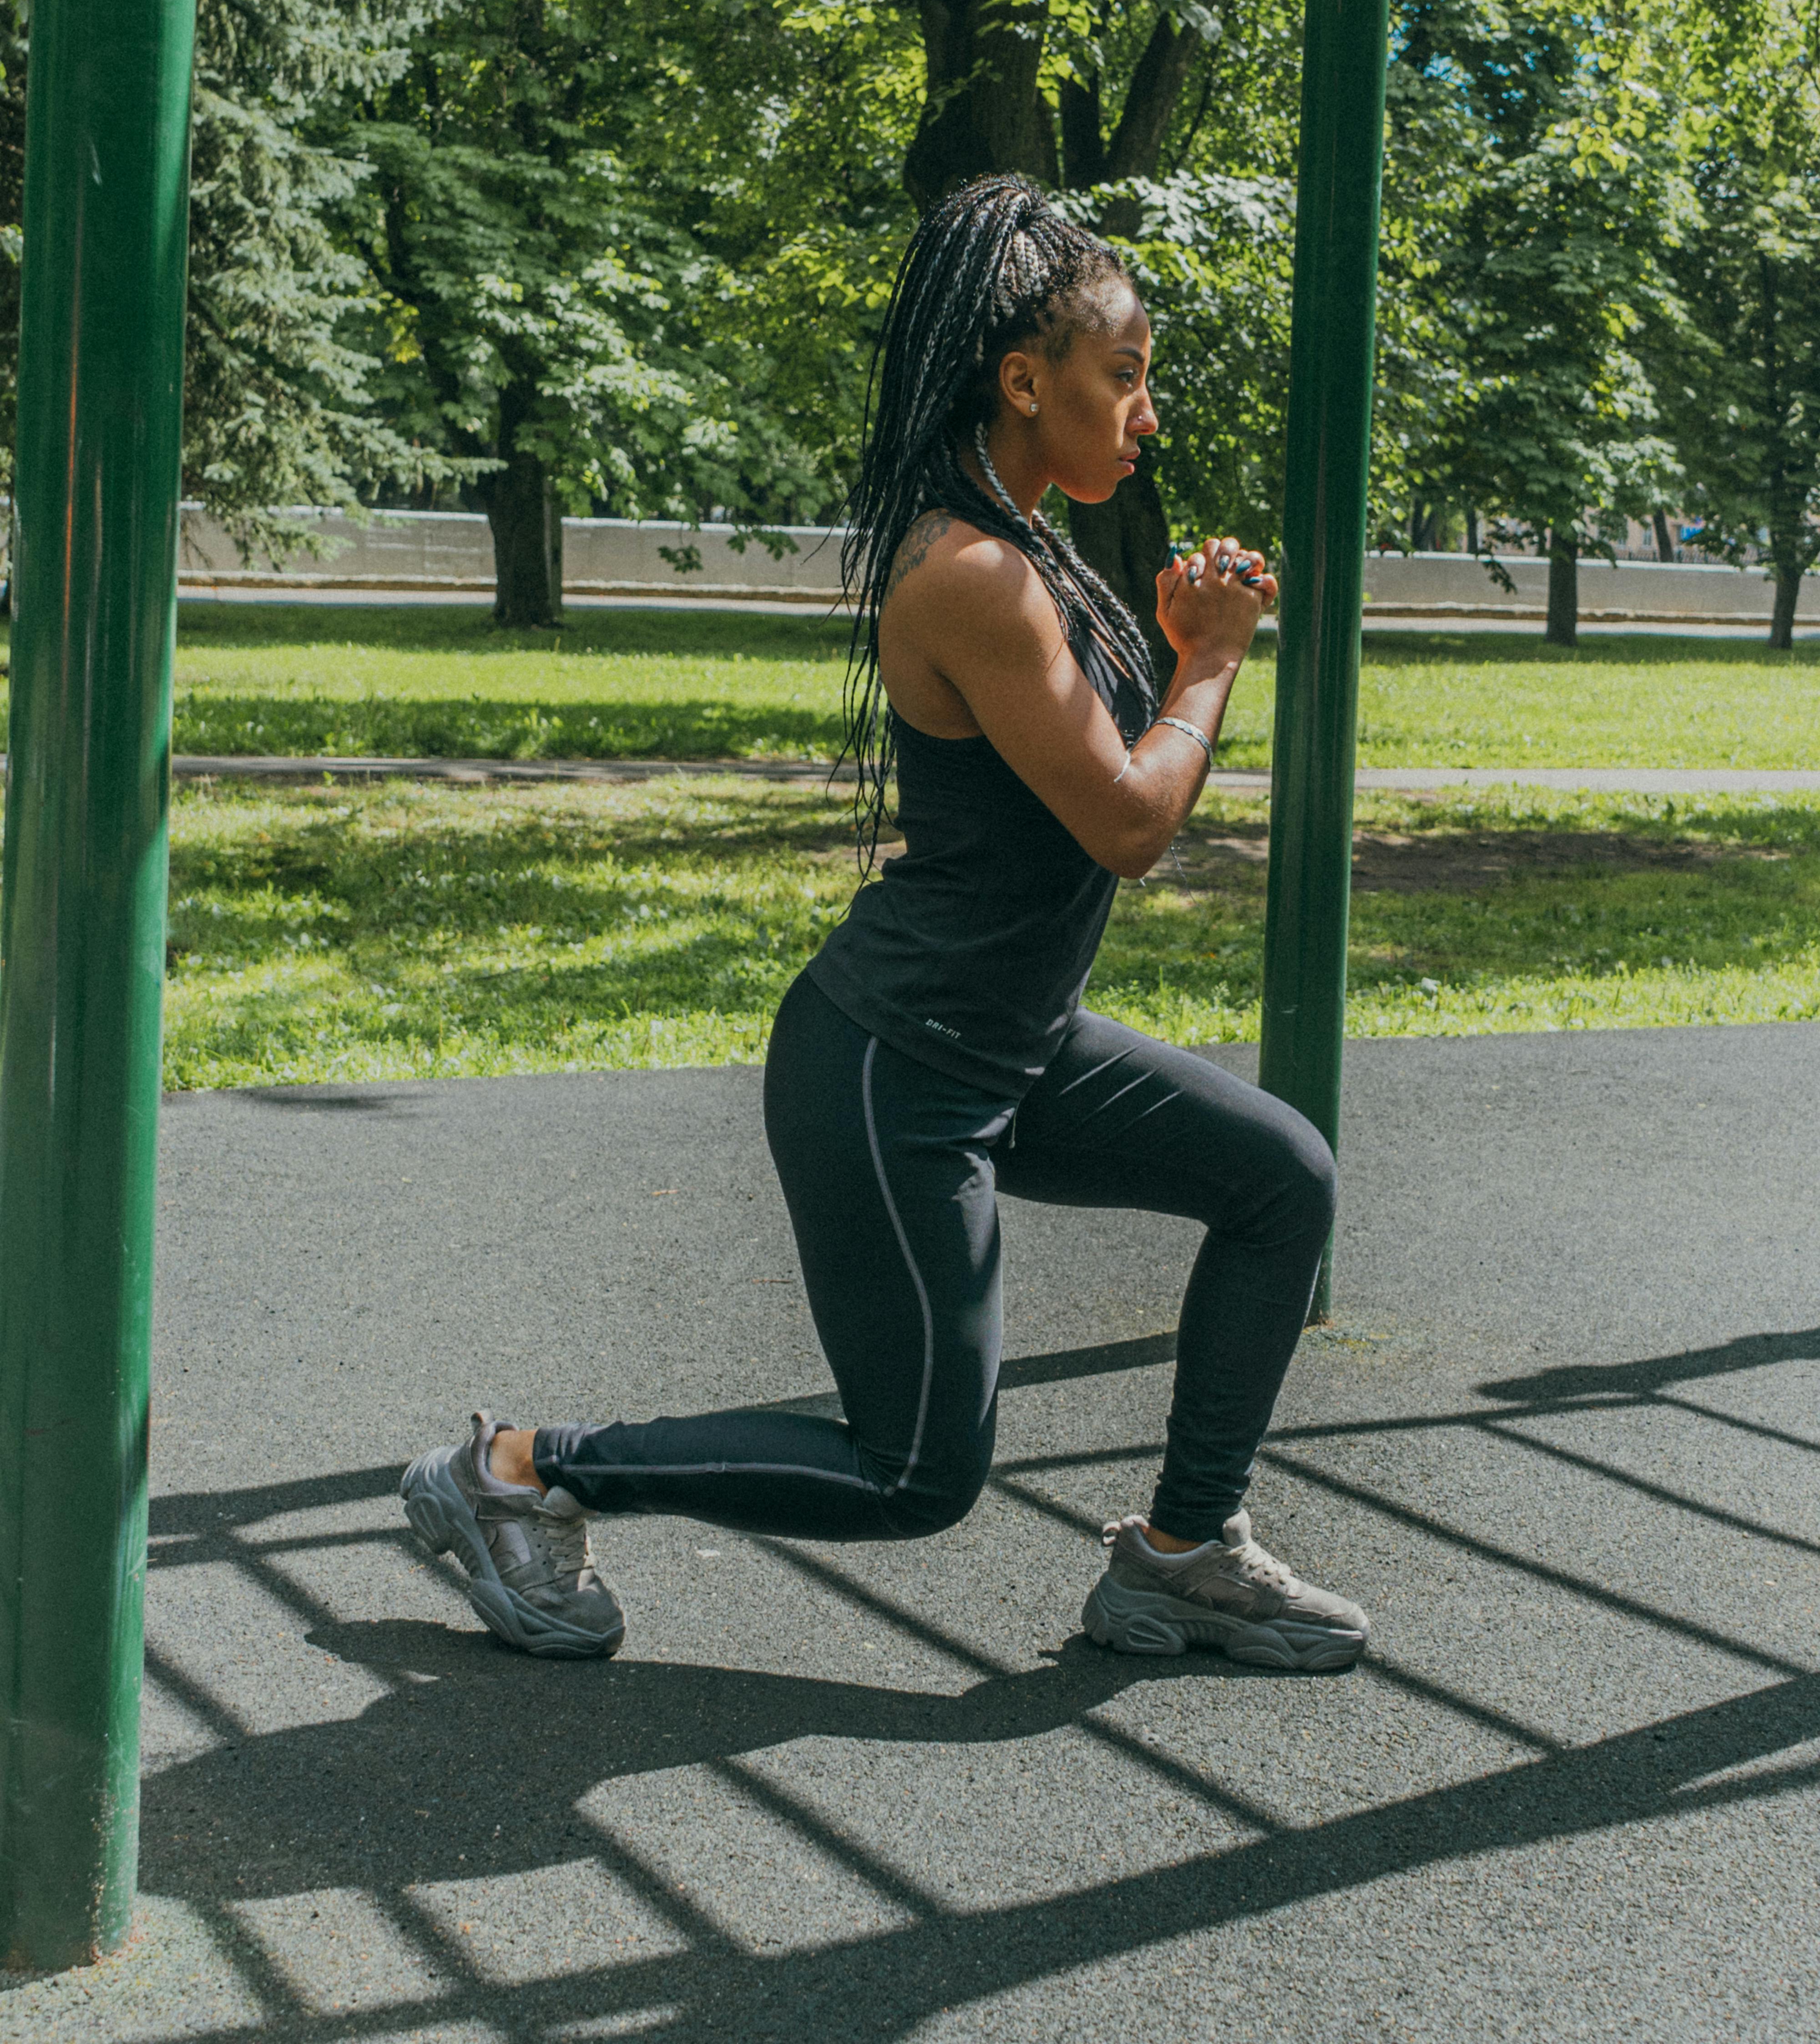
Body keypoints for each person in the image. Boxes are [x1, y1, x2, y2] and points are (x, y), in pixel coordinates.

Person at [403, 177, 1367, 1673]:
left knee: (1280, 1181)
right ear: (1025, 381)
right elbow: (1127, 824)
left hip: (1011, 1043)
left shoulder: (1027, 543)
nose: (1147, 412)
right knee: (914, 1472)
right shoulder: (971, 572)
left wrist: (1181, 638)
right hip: (895, 1069)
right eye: (1124, 375)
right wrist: (1211, 662)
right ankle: (517, 1472)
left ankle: (1183, 1555)